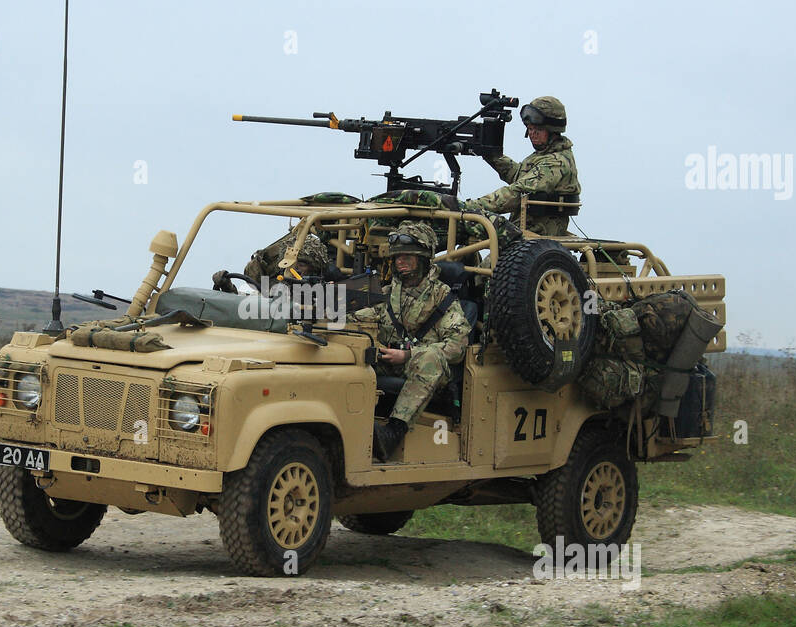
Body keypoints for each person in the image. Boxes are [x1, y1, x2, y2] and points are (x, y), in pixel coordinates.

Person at [346, 222, 471, 461]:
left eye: (408, 257)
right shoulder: (389, 293)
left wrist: (408, 355)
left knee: (430, 358)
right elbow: (365, 316)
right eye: (398, 257)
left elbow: (457, 345)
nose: (400, 261)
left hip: (424, 368)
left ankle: (393, 432)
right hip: (389, 360)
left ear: (422, 259)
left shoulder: (441, 296)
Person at [468, 96, 580, 236]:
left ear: (552, 130)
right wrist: (492, 155)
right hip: (525, 232)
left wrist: (469, 207)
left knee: (491, 257)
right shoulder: (544, 155)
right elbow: (519, 175)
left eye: (537, 129)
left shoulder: (555, 163)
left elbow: (517, 192)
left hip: (535, 235)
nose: (532, 133)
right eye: (530, 128)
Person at [212, 231, 330, 293]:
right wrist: (227, 287)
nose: (295, 268)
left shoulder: (321, 291)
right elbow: (244, 304)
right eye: (291, 263)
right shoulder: (273, 285)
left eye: (302, 264)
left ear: (313, 268)